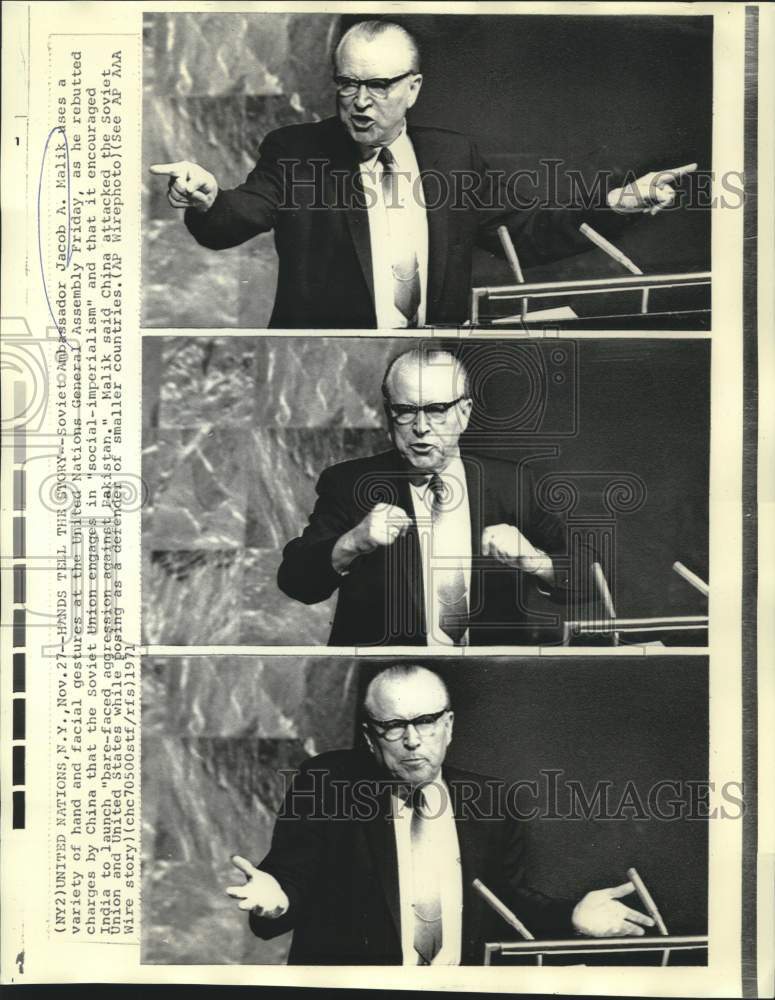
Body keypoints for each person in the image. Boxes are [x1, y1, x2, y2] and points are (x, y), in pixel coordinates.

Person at [149, 20, 697, 328]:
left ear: (412, 87)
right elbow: (239, 214)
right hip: (333, 368)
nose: (360, 103)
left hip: (435, 359)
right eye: (347, 84)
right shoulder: (298, 152)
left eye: (380, 86)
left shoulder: (451, 158)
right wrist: (206, 196)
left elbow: (524, 233)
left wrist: (616, 203)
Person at [225, 665, 655, 965]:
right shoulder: (328, 784)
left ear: (448, 726)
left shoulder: (489, 800)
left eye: (428, 721)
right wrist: (277, 899)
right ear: (371, 738)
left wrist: (571, 919)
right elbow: (291, 878)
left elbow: (502, 901)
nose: (413, 740)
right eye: (394, 726)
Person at [277, 346, 592, 646]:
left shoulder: (512, 483)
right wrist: (352, 542)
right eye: (404, 411)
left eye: (437, 410)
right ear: (389, 414)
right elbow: (296, 582)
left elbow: (589, 580)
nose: (421, 427)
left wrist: (535, 561)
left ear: (464, 413)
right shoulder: (349, 483)